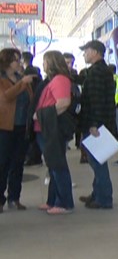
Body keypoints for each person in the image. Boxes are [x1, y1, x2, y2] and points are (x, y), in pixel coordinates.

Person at [34, 51, 76, 215]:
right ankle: (53, 200)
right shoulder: (52, 80)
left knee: (58, 166)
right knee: (52, 166)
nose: (43, 65)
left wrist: (41, 115)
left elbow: (63, 103)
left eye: (45, 62)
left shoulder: (60, 80)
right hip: (45, 128)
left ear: (51, 63)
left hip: (52, 129)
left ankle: (65, 203)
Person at [78, 40, 117, 210]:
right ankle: (97, 193)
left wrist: (94, 124)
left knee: (98, 163)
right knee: (97, 162)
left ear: (95, 52)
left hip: (96, 125)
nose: (84, 54)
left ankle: (104, 199)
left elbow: (96, 100)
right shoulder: (102, 70)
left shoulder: (96, 73)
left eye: (86, 51)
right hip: (101, 122)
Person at [0, 48, 35, 211]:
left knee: (18, 163)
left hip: (22, 126)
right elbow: (6, 96)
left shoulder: (22, 78)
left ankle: (14, 198)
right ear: (6, 61)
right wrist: (22, 84)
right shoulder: (2, 79)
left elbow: (30, 99)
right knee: (3, 163)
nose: (19, 63)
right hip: (5, 127)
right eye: (15, 60)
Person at [22, 51, 43, 166]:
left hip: (30, 105)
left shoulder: (26, 73)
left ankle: (33, 157)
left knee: (30, 132)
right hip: (36, 103)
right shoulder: (36, 71)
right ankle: (36, 156)